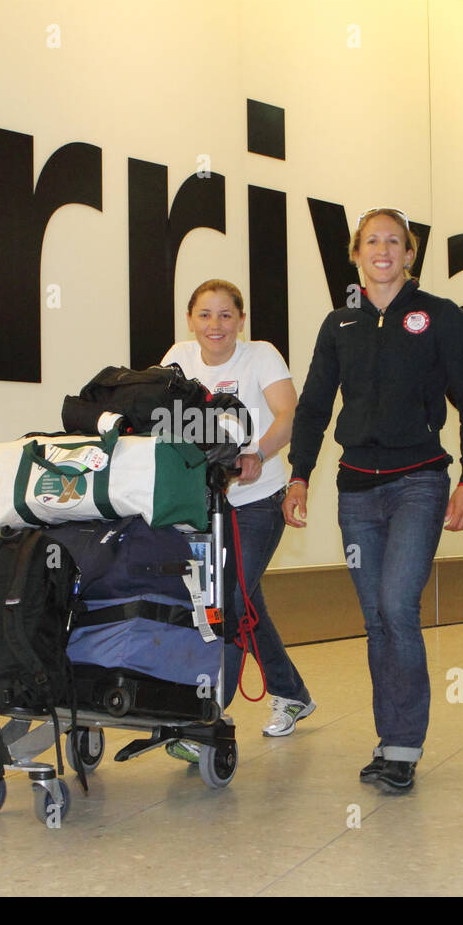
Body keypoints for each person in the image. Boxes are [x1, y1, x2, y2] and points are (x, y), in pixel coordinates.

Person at [282, 208, 463, 794]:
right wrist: (299, 475)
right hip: (355, 491)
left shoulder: (440, 317)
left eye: (394, 241)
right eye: (372, 240)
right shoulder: (338, 324)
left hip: (419, 483)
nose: (383, 249)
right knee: (375, 619)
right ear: (356, 253)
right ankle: (391, 743)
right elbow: (316, 405)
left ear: (409, 253)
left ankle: (403, 744)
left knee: (397, 607)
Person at [159, 279, 313, 760]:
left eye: (226, 315)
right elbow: (159, 421)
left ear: (240, 320)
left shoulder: (260, 356)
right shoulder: (177, 358)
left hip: (257, 501)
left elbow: (290, 414)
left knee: (228, 600)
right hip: (202, 507)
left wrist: (257, 454)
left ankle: (205, 718)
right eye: (205, 315)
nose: (215, 325)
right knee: (244, 603)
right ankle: (293, 694)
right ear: (191, 319)